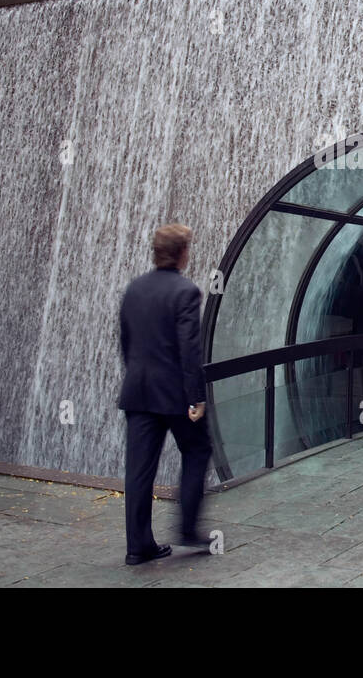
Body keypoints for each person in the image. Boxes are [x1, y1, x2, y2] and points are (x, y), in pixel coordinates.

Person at [118, 223, 213, 565]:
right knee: (198, 449)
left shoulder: (134, 289)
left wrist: (137, 373)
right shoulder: (186, 292)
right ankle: (187, 530)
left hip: (138, 391)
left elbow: (126, 342)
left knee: (139, 471)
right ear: (182, 253)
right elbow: (189, 351)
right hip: (174, 394)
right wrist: (196, 397)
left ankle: (138, 547)